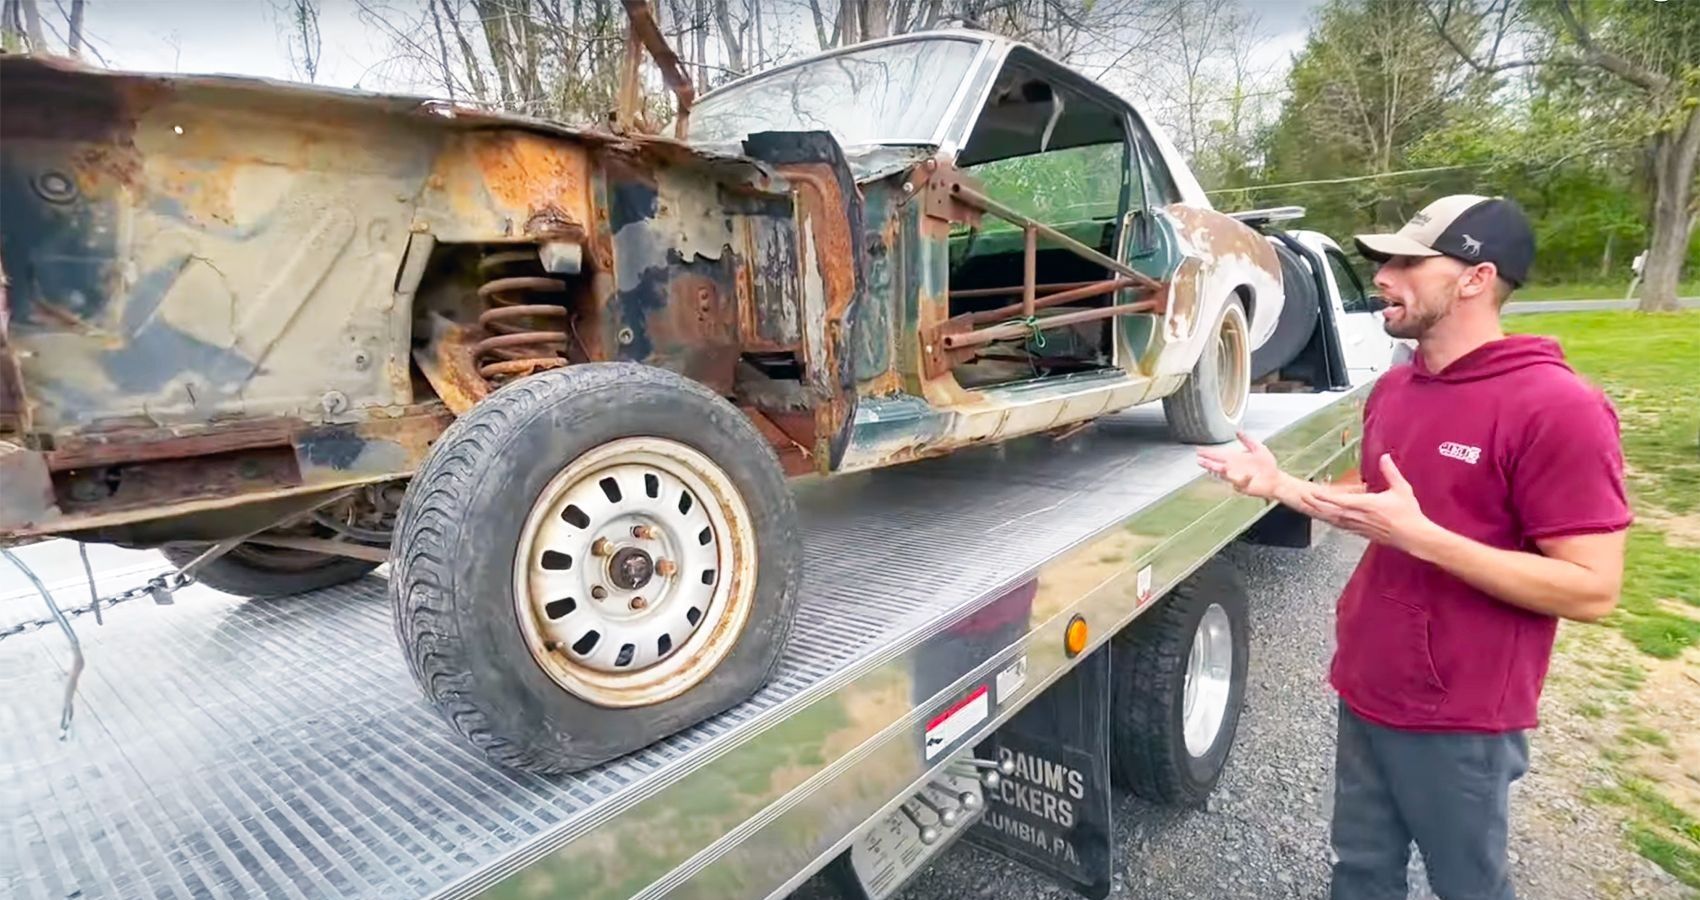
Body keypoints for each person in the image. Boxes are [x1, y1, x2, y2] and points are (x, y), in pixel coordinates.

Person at [1198, 195, 1633, 900]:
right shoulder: (1397, 387)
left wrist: (1425, 539)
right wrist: (1280, 487)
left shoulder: (1559, 408)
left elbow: (1592, 587)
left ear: (1475, 278)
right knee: (1360, 870)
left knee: (1467, 884)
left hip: (1462, 714)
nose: (1382, 277)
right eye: (1384, 262)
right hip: (1369, 681)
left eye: (1407, 263)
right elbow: (1378, 508)